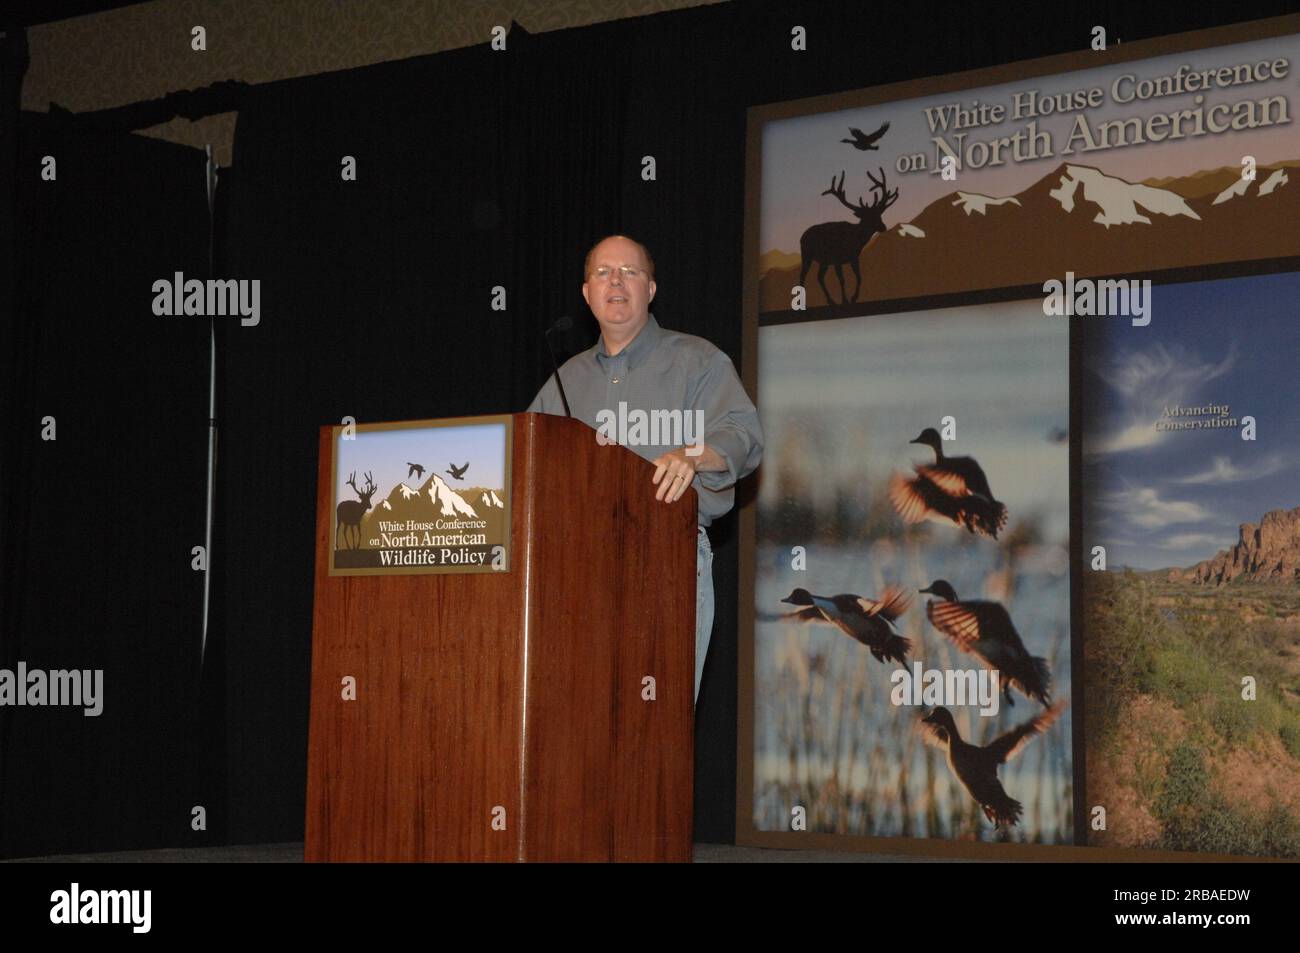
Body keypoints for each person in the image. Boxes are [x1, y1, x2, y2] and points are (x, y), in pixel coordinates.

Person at [527, 235, 763, 704]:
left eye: (629, 272)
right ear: (587, 293)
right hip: (576, 574)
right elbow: (527, 464)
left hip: (667, 562)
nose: (615, 281)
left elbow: (744, 434)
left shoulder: (698, 360)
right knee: (580, 723)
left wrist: (692, 455)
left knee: (656, 726)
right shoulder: (564, 381)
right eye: (603, 273)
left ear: (650, 289)